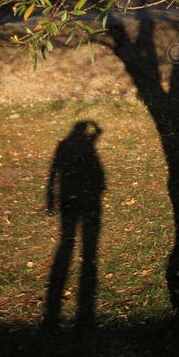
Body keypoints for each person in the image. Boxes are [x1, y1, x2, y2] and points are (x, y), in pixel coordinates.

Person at [43, 121, 106, 330]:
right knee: (87, 247)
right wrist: (93, 125)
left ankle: (55, 313)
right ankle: (83, 314)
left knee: (67, 239)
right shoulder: (87, 144)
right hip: (86, 198)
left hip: (68, 196)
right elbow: (98, 132)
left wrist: (50, 198)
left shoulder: (65, 145)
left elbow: (54, 171)